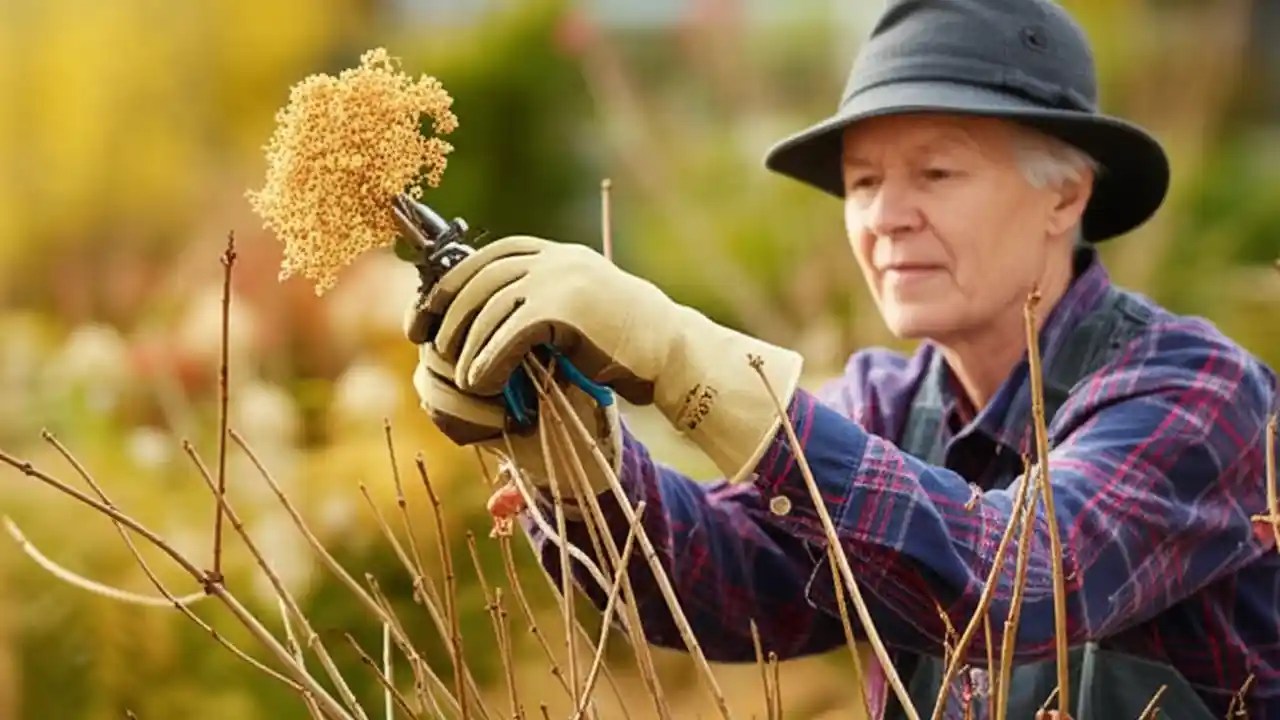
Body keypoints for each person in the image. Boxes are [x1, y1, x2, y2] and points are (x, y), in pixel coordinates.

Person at [402, 0, 1279, 716]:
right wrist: (578, 466)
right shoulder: (888, 403)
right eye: (863, 182)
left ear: (1066, 196)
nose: (885, 216)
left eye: (935, 174)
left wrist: (686, 356)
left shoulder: (1197, 392)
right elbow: (731, 583)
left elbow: (1018, 581)